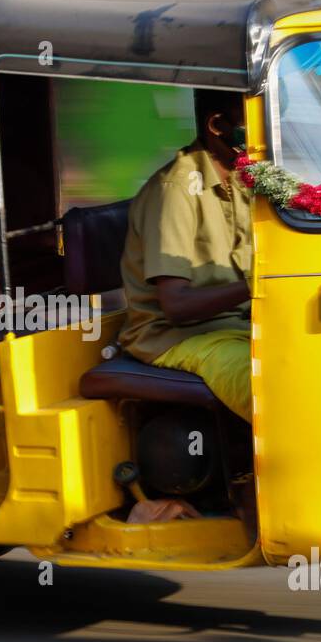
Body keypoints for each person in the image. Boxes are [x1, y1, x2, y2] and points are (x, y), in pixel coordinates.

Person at [118, 90, 252, 422]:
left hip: (244, 325)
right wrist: (258, 285)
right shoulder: (175, 190)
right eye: (258, 125)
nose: (269, 137)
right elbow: (177, 306)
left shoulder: (247, 178)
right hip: (181, 336)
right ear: (218, 126)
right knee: (275, 385)